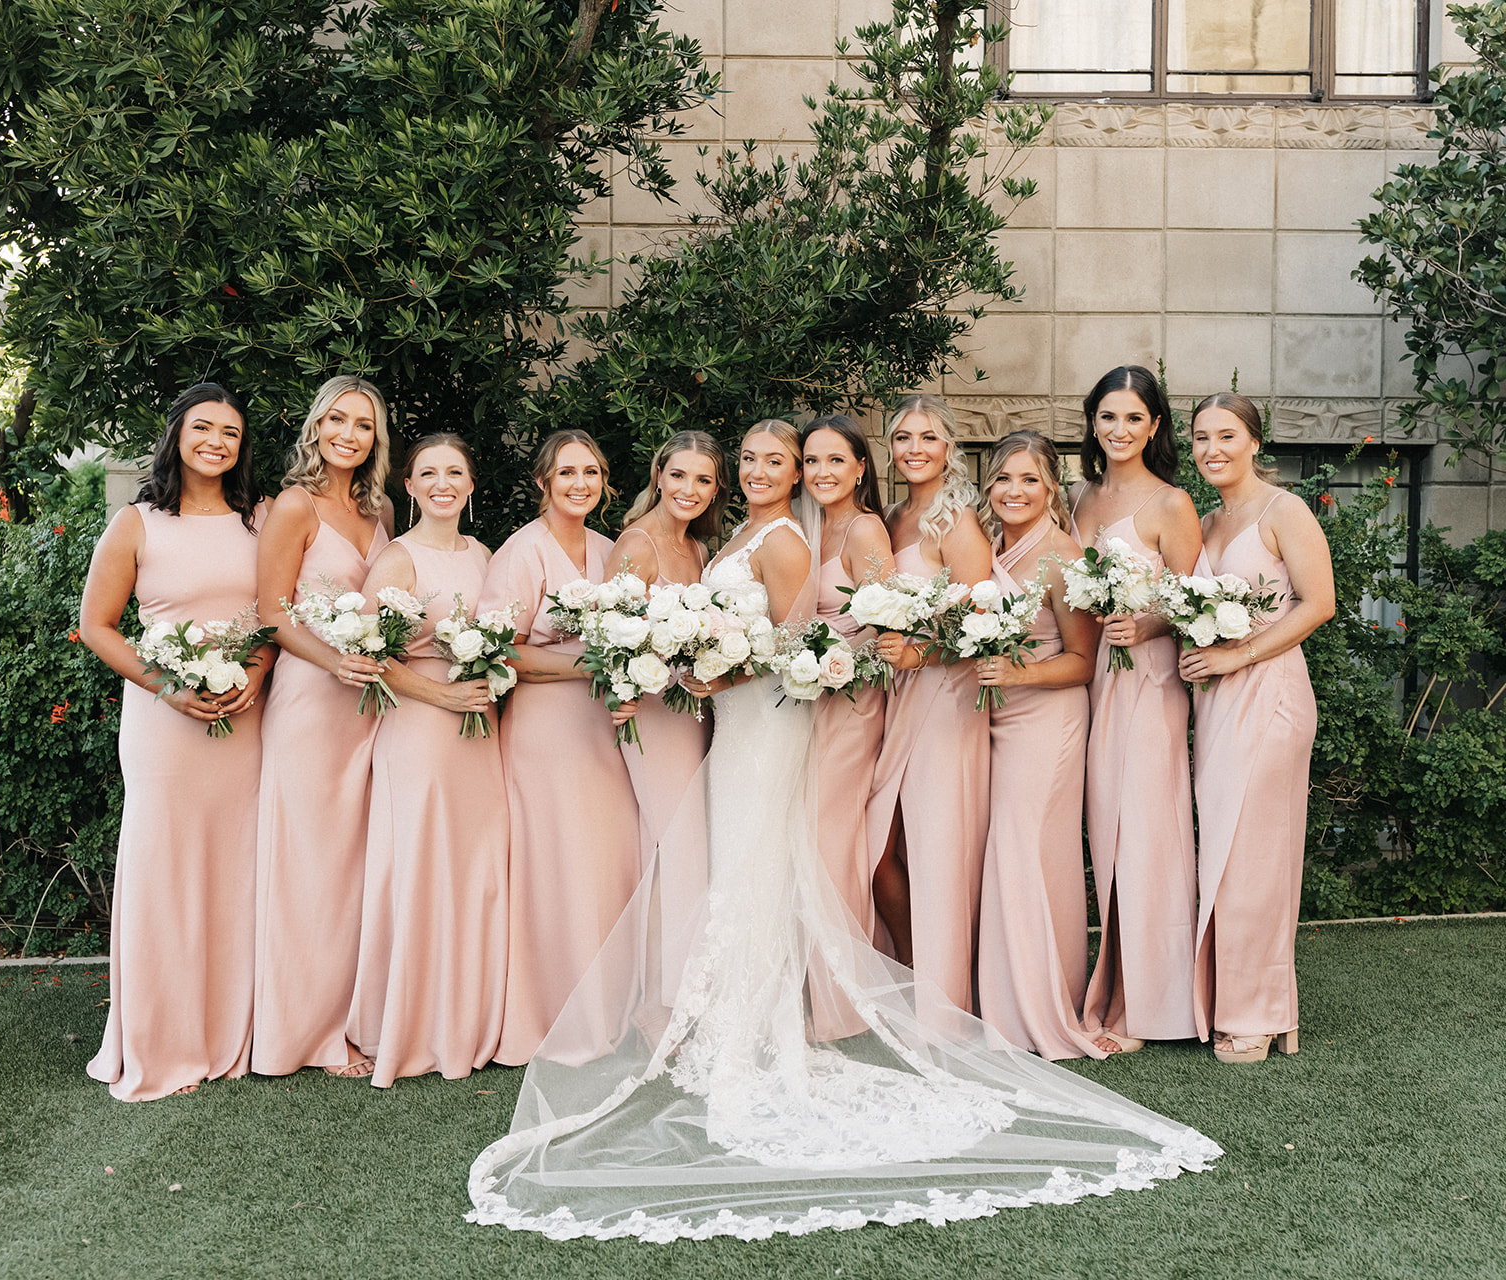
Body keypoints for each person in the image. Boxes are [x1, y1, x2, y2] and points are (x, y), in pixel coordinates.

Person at [466, 421, 1220, 1242]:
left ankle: (761, 1021)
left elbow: (796, 639)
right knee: (750, 859)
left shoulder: (797, 535)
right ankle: (733, 1012)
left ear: (832, 471)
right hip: (745, 714)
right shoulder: (763, 532)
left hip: (774, 711)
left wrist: (723, 664)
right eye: (751, 460)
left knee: (767, 854)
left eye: (782, 462)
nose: (763, 472)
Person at [80, 383, 271, 1101]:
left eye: (230, 430)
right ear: (177, 434)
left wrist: (257, 669)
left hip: (246, 715)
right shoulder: (136, 522)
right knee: (167, 871)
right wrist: (166, 685)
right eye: (203, 427)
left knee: (237, 869)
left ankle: (235, 1032)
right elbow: (98, 624)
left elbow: (277, 614)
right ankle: (163, 1043)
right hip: (165, 723)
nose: (216, 441)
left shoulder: (260, 521)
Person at [345, 434, 508, 1085]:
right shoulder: (397, 560)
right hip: (420, 727)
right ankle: (406, 1022)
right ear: (409, 486)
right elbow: (371, 660)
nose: (443, 483)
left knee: (472, 868)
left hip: (478, 731)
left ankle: (465, 1016)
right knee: (418, 865)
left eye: (455, 472)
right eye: (429, 473)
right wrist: (445, 693)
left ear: (471, 485)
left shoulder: (485, 554)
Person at [476, 429, 642, 1066]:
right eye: (566, 473)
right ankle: (552, 1011)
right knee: (558, 862)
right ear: (543, 482)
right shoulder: (522, 551)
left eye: (591, 473)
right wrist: (586, 663)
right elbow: (499, 649)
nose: (580, 484)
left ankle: (613, 1005)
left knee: (609, 856)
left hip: (606, 727)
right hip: (547, 730)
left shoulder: (611, 549)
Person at [1180, 392, 1334, 1064]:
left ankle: (1259, 1013)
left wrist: (1237, 654)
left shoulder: (1283, 511)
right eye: (1201, 438)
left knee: (1256, 860)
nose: (1212, 449)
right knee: (1223, 853)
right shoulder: (1208, 522)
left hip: (1270, 697)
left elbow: (1320, 603)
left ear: (1254, 442)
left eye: (1226, 436)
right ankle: (1246, 1004)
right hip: (1214, 705)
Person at [252, 376, 392, 1079]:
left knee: (352, 868)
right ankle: (300, 1032)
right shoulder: (293, 506)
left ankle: (350, 1018)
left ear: (376, 438)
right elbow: (273, 612)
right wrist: (334, 662)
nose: (347, 434)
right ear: (316, 426)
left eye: (362, 425)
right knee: (307, 864)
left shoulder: (381, 507)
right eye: (336, 419)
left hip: (368, 705)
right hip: (312, 698)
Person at [1069, 367, 1203, 1055]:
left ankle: (1148, 1006)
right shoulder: (1082, 497)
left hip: (1149, 682)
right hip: (1096, 679)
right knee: (1107, 833)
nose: (1118, 430)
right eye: (1107, 416)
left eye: (1132, 418)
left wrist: (1149, 626)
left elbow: (1197, 606)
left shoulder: (1172, 504)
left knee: (1147, 833)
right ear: (1092, 422)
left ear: (1155, 427)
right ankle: (1113, 985)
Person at [975, 432, 1104, 1061]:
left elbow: (1083, 660)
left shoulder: (1063, 555)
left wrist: (1017, 675)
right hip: (993, 717)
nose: (1013, 491)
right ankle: (1002, 1001)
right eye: (1002, 478)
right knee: (1001, 849)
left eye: (1028, 479)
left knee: (1029, 849)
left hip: (1047, 717)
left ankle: (1045, 1007)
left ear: (1051, 486)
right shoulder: (989, 546)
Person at [864, 394, 993, 1013]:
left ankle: (945, 993)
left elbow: (982, 625)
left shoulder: (957, 521)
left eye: (928, 438)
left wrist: (923, 654)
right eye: (903, 438)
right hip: (893, 697)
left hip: (944, 694)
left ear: (949, 450)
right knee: (881, 843)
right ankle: (919, 967)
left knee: (933, 841)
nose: (914, 449)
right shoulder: (888, 517)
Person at [604, 431, 728, 1003]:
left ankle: (684, 982)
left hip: (692, 712)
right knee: (672, 844)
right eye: (679, 475)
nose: (689, 489)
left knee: (687, 846)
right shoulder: (638, 543)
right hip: (652, 716)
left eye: (703, 479)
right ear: (659, 475)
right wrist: (625, 689)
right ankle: (663, 998)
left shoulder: (698, 549)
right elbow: (610, 636)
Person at [799, 414, 894, 945]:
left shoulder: (865, 528)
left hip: (853, 702)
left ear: (860, 468)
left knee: (830, 833)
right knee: (806, 831)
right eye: (812, 460)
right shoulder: (808, 524)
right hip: (807, 699)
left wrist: (827, 658)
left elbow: (885, 625)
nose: (822, 471)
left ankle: (843, 987)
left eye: (836, 460)